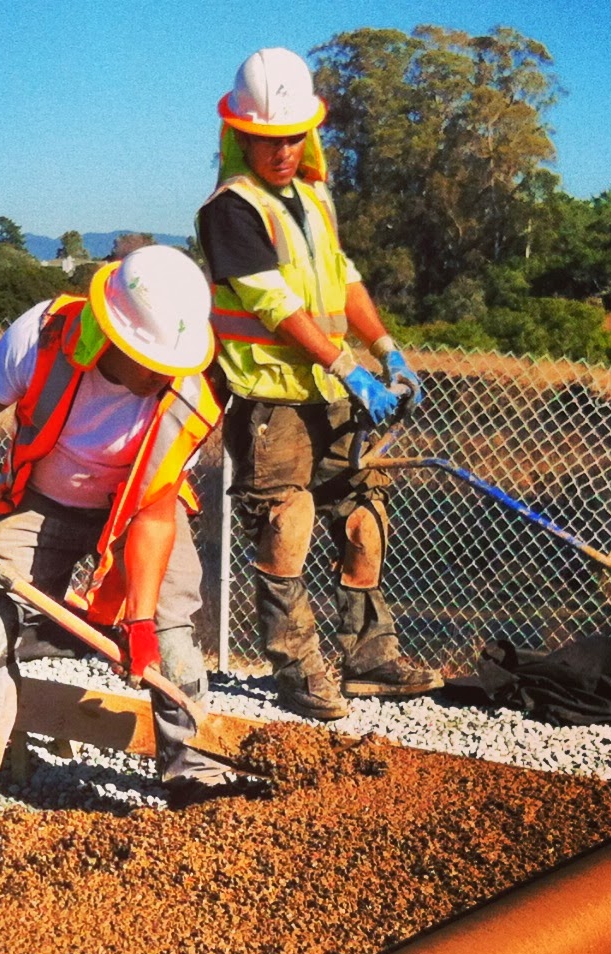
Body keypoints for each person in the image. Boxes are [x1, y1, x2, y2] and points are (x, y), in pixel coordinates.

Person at [0, 245, 238, 816]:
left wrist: (141, 620)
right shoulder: (45, 333)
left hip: (136, 506)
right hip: (45, 499)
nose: (161, 376)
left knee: (172, 626)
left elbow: (152, 513)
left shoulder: (193, 392)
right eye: (148, 361)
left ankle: (197, 772)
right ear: (112, 335)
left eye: (169, 364)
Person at [196, 47, 443, 721]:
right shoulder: (230, 209)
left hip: (333, 396)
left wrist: (387, 351)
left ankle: (369, 658)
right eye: (267, 139)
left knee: (363, 520)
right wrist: (347, 367)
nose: (281, 150)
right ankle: (298, 667)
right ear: (241, 134)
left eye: (291, 137)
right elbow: (275, 305)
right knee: (287, 523)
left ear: (309, 131)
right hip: (272, 400)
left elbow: (344, 280)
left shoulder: (311, 198)